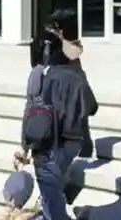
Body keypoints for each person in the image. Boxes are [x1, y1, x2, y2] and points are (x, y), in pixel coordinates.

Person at [25, 39, 98, 220]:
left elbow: (30, 110)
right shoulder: (77, 77)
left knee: (50, 188)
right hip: (70, 141)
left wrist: (24, 145)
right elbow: (92, 107)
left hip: (45, 141)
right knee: (55, 184)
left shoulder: (37, 75)